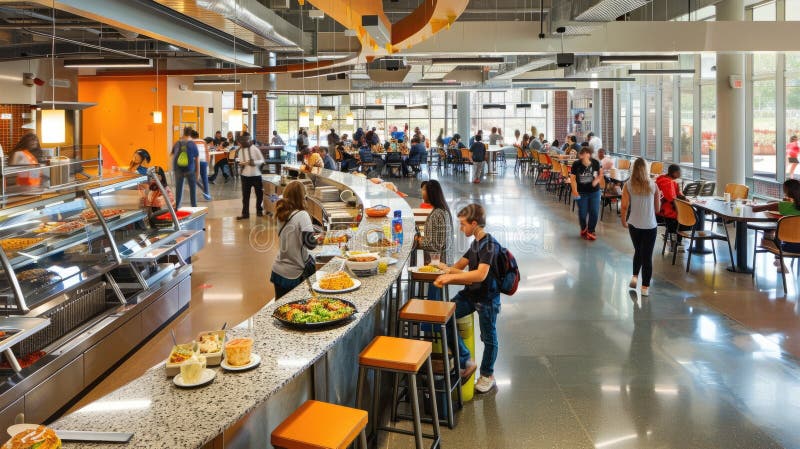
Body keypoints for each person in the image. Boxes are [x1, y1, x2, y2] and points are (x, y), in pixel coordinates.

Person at [433, 203, 501, 394]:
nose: (461, 228)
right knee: (443, 318)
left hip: (487, 298)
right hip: (471, 295)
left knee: (489, 338)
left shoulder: (489, 245)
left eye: (463, 224)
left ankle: (488, 375)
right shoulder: (475, 244)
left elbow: (480, 275)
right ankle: (466, 360)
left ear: (474, 223)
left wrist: (451, 277)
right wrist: (442, 268)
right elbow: (459, 266)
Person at [269, 180, 318, 299]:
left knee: (281, 308)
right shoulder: (302, 215)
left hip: (279, 270)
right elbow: (310, 244)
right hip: (295, 273)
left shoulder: (282, 214)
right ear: (302, 197)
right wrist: (320, 239)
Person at [620, 158, 660, 296]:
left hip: (634, 224)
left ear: (633, 168)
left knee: (638, 250)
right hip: (650, 225)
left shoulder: (628, 185)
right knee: (647, 256)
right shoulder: (653, 185)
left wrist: (623, 220)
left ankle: (635, 276)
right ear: (646, 169)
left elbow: (624, 206)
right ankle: (645, 288)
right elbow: (657, 209)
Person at [751, 179, 800, 271]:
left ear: (788, 192)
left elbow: (756, 209)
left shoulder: (784, 206)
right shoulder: (786, 205)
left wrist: (753, 205)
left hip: (788, 247)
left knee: (768, 230)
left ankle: (779, 261)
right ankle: (779, 261)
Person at [416, 180, 453, 299]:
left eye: (424, 190)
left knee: (434, 297)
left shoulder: (437, 214)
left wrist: (419, 241)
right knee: (435, 294)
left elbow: (435, 245)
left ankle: (433, 313)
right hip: (441, 262)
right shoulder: (442, 210)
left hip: (437, 265)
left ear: (431, 193)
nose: (422, 192)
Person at [570, 146, 604, 240]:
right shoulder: (576, 164)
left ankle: (591, 230)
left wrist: (596, 181)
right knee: (582, 212)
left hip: (594, 192)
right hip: (581, 192)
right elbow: (572, 179)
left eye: (584, 153)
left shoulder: (596, 163)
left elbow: (601, 174)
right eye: (581, 154)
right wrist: (575, 191)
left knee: (594, 211)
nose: (581, 155)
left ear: (588, 154)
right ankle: (584, 227)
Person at [655, 164, 688, 253]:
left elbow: (676, 195)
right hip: (666, 212)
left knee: (683, 216)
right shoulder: (668, 183)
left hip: (661, 210)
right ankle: (677, 242)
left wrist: (683, 197)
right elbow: (672, 199)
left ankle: (676, 241)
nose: (680, 174)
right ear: (674, 173)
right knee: (685, 218)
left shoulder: (663, 180)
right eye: (679, 172)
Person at [237, 134, 265, 220]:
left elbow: (262, 160)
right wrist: (241, 164)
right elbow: (240, 160)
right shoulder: (240, 150)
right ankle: (245, 213)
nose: (240, 144)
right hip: (245, 176)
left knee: (259, 194)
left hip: (256, 175)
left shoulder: (254, 149)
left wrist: (254, 162)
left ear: (247, 140)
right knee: (245, 196)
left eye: (241, 142)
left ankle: (259, 211)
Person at [171, 127, 200, 208]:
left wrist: (173, 169)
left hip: (178, 169)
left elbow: (172, 155)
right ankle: (194, 206)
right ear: (191, 133)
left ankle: (177, 207)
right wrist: (198, 173)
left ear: (183, 133)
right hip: (190, 169)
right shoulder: (192, 144)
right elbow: (197, 158)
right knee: (192, 189)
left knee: (179, 189)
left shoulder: (177, 143)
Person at [192, 131, 212, 201]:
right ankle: (207, 193)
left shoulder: (191, 142)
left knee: (193, 178)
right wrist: (207, 162)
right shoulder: (203, 142)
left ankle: (197, 193)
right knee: (204, 178)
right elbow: (207, 152)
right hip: (204, 161)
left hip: (195, 162)